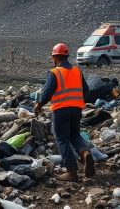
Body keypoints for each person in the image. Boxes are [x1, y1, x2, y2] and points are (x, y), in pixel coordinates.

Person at [34, 43, 95, 182]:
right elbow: (86, 90)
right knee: (75, 134)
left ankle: (72, 172)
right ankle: (85, 153)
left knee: (62, 139)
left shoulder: (55, 72)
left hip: (61, 110)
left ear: (55, 58)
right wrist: (78, 101)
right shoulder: (77, 71)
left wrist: (39, 105)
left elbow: (47, 93)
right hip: (77, 109)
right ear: (67, 56)